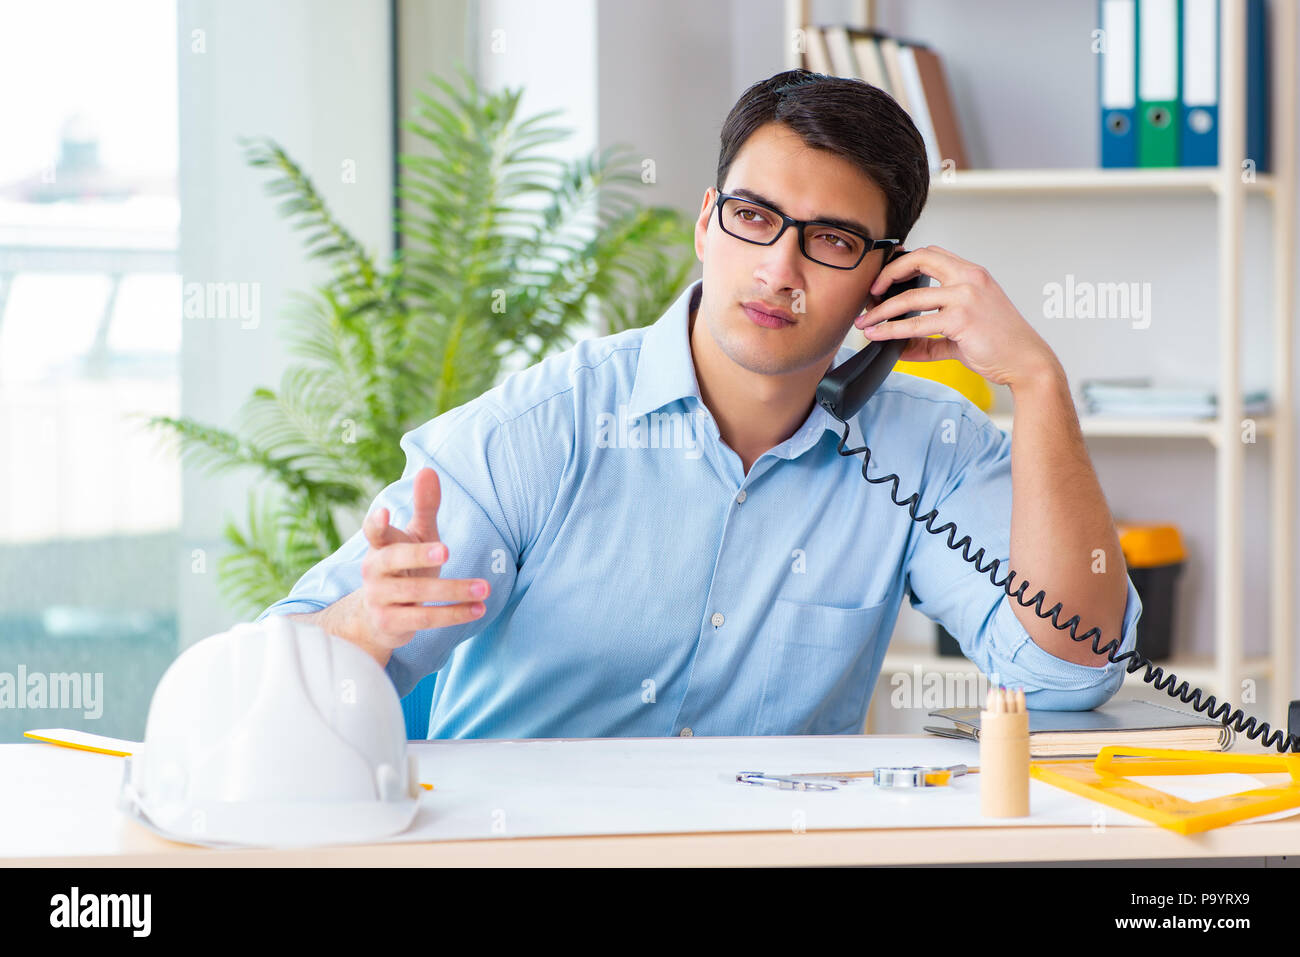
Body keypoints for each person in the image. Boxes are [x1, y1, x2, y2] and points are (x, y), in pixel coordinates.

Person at [256, 70, 1141, 738]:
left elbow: (1065, 671)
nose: (777, 270)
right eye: (754, 218)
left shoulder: (923, 446)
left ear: (887, 278)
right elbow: (279, 666)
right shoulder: (542, 429)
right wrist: (364, 623)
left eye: (830, 240)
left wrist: (1038, 384)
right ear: (706, 224)